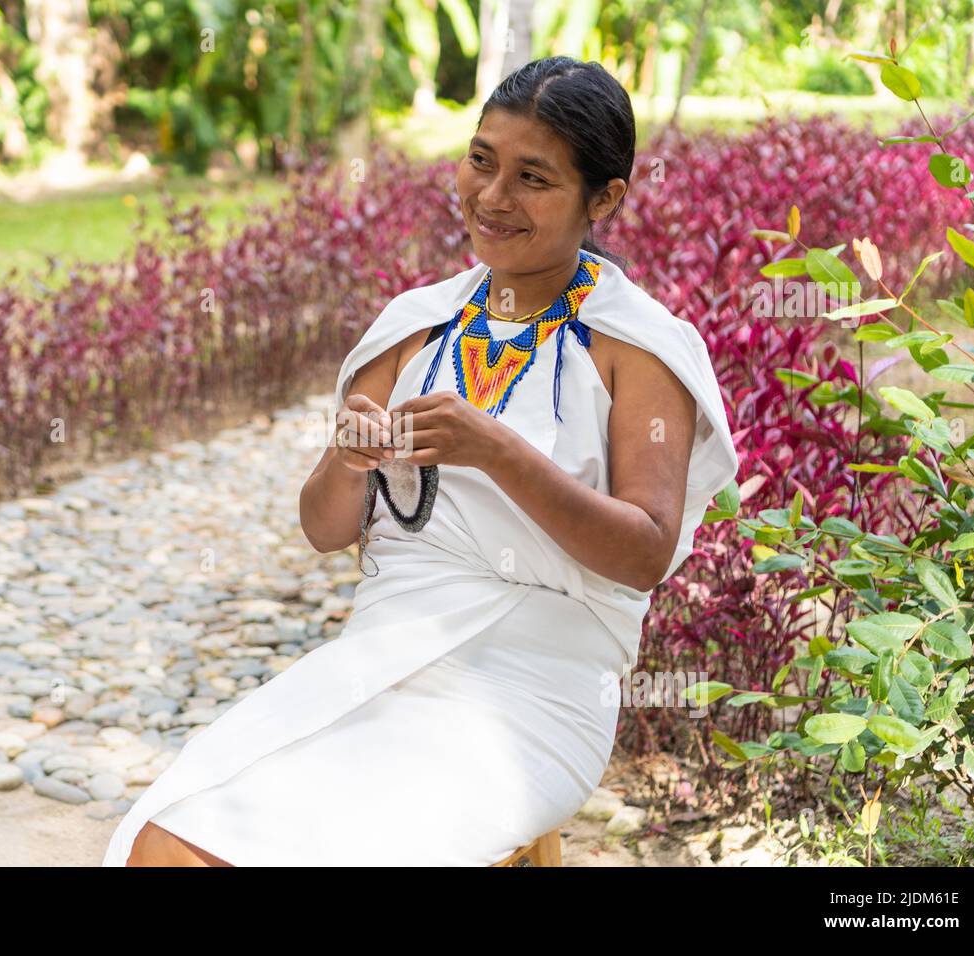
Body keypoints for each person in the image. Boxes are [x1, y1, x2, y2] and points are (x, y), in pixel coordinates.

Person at [101, 56, 739, 867]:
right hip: (383, 660)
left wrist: (498, 452)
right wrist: (350, 457)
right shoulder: (417, 325)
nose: (492, 196)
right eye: (481, 160)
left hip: (532, 689)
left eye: (532, 177)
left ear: (604, 198)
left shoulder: (636, 347)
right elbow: (325, 529)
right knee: (169, 842)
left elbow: (646, 552)